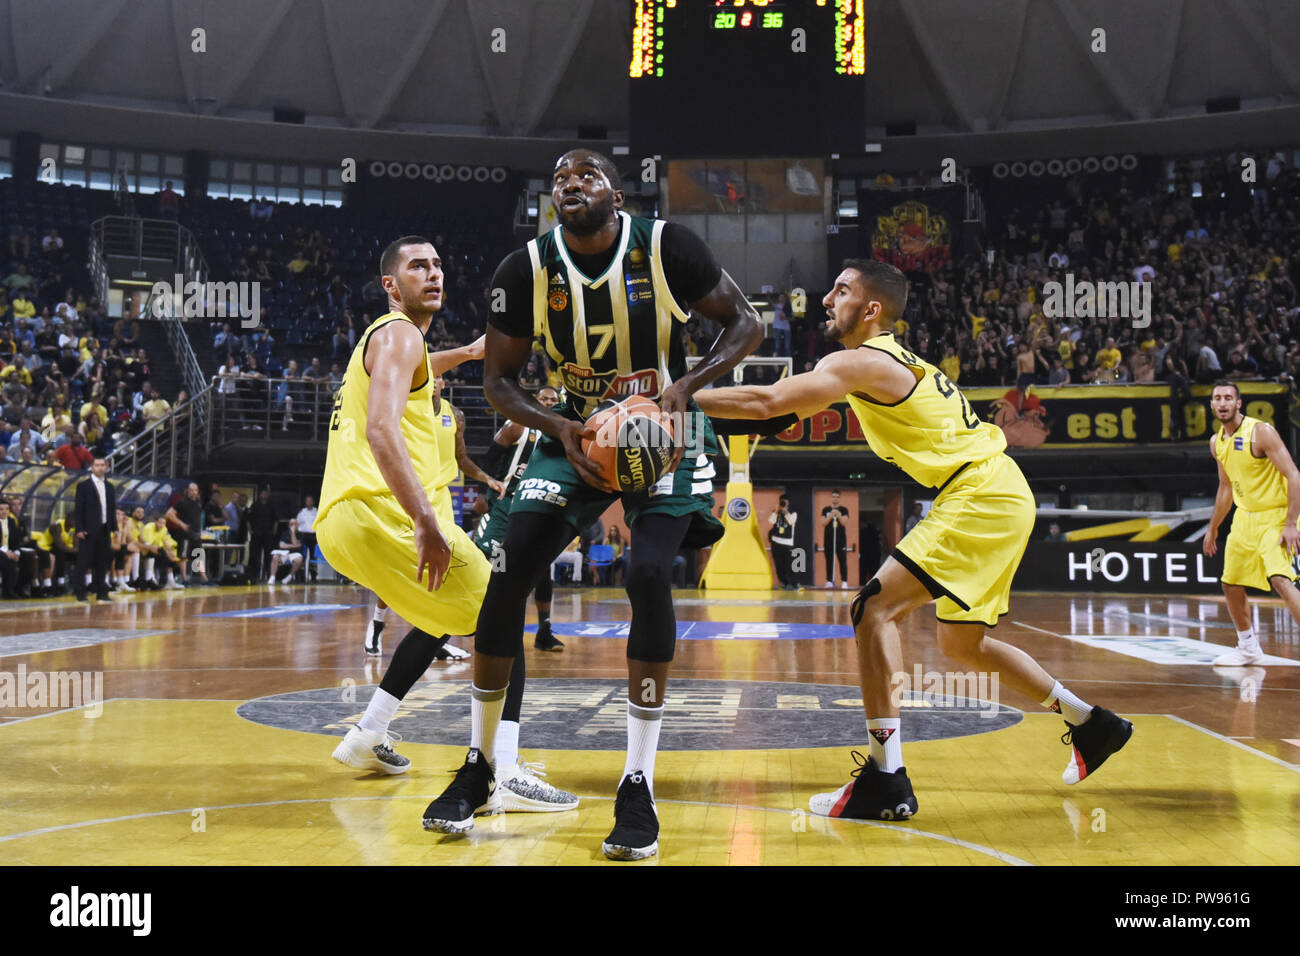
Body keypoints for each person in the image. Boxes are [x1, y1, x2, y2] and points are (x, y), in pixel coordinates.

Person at [695, 258, 1132, 821]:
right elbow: (782, 410)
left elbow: (765, 403)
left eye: (841, 290)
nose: (826, 299)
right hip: (998, 489)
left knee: (873, 609)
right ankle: (1091, 723)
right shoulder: (886, 362)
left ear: (871, 309)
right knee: (962, 646)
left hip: (980, 493)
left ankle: (886, 777)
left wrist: (675, 396)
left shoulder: (859, 360)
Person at [421, 148, 762, 862]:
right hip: (574, 436)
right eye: (558, 181)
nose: (569, 185)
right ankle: (481, 765)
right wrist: (561, 427)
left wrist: (686, 387)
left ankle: (637, 781)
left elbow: (746, 324)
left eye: (586, 176)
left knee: (645, 575)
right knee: (505, 574)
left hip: (663, 437)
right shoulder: (527, 269)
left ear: (616, 191)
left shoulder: (667, 246)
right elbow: (500, 382)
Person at [314, 237, 508, 792]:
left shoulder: (398, 345)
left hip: (345, 523)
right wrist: (425, 522)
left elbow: (419, 365)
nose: (434, 272)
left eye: (438, 264)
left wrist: (468, 354)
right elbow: (380, 428)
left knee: (436, 617)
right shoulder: (398, 331)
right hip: (385, 511)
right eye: (417, 265)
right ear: (390, 286)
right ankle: (501, 771)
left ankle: (368, 731)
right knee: (498, 614)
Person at [1203, 381, 1300, 665]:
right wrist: (1213, 527)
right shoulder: (1216, 442)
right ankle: (1248, 648)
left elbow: (1294, 475)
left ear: (1238, 403)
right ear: (1212, 405)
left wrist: (1292, 523)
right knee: (1230, 583)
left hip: (1276, 515)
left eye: (1228, 398)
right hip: (1245, 519)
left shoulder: (1261, 432)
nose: (1222, 403)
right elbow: (1225, 487)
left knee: (1281, 581)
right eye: (1217, 398)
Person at [470, 385, 563, 650]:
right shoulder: (519, 426)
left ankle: (544, 630)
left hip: (537, 504)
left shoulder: (560, 431)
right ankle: (478, 617)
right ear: (535, 401)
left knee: (542, 566)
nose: (547, 402)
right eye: (543, 398)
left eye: (552, 399)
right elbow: (492, 456)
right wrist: (482, 491)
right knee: (492, 558)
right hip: (505, 502)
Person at [72, 456, 116, 602]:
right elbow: (78, 509)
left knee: (102, 562)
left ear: (106, 466)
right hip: (88, 530)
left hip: (104, 528)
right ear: (92, 467)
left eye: (102, 465)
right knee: (83, 562)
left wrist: (114, 527)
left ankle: (101, 592)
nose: (99, 468)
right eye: (96, 465)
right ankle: (80, 592)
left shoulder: (109, 486)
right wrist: (79, 528)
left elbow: (111, 509)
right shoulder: (83, 486)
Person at [166, 482, 212, 585]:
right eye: (191, 490)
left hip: (195, 533)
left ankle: (204, 579)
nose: (193, 492)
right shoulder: (181, 502)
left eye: (195, 490)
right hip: (184, 534)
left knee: (199, 555)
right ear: (187, 491)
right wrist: (181, 524)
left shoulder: (198, 503)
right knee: (184, 556)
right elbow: (169, 514)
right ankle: (184, 578)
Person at [246, 488, 278, 583]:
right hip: (256, 534)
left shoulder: (271, 506)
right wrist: (250, 531)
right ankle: (252, 576)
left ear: (268, 495)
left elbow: (276, 521)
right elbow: (248, 520)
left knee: (269, 555)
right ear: (260, 495)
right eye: (262, 494)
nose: (264, 495)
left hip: (268, 534)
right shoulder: (255, 505)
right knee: (254, 555)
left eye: (265, 494)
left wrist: (273, 532)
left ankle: (268, 575)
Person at [822, 490, 850, 588]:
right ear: (831, 497)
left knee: (842, 559)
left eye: (837, 497)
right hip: (828, 539)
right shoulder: (825, 510)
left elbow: (844, 522)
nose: (835, 498)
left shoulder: (844, 510)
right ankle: (829, 580)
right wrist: (831, 515)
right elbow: (823, 523)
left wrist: (838, 515)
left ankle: (844, 581)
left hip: (840, 539)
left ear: (839, 498)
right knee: (829, 560)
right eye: (833, 496)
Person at [768, 496, 797, 589]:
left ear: (788, 503)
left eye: (785, 502)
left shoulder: (793, 513)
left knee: (788, 566)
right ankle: (783, 583)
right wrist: (776, 512)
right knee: (779, 566)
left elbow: (791, 521)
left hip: (787, 543)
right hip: (776, 542)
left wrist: (785, 512)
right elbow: (771, 521)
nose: (783, 504)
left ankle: (792, 583)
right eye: (782, 502)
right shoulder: (776, 512)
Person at [268, 518, 306, 584]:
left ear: (297, 525)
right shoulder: (284, 533)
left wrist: (293, 533)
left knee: (299, 559)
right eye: (291, 524)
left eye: (294, 524)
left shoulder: (301, 534)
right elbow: (281, 545)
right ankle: (272, 577)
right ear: (288, 525)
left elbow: (297, 545)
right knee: (275, 556)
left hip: (295, 554)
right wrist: (294, 545)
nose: (293, 526)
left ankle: (289, 577)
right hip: (284, 554)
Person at [0, 499, 21, 598]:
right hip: (2, 551)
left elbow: (17, 540)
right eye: (1, 509)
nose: (4, 511)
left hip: (10, 551)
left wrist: (16, 552)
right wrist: (6, 551)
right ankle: (7, 591)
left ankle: (20, 589)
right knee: (6, 560)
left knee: (29, 558)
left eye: (7, 509)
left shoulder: (11, 522)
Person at [295, 496, 318, 582]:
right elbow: (297, 523)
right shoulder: (302, 512)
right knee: (302, 556)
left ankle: (313, 576)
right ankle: (301, 577)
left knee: (313, 557)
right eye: (307, 501)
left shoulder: (317, 511)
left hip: (313, 536)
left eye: (310, 501)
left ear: (313, 502)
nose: (309, 503)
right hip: (303, 536)